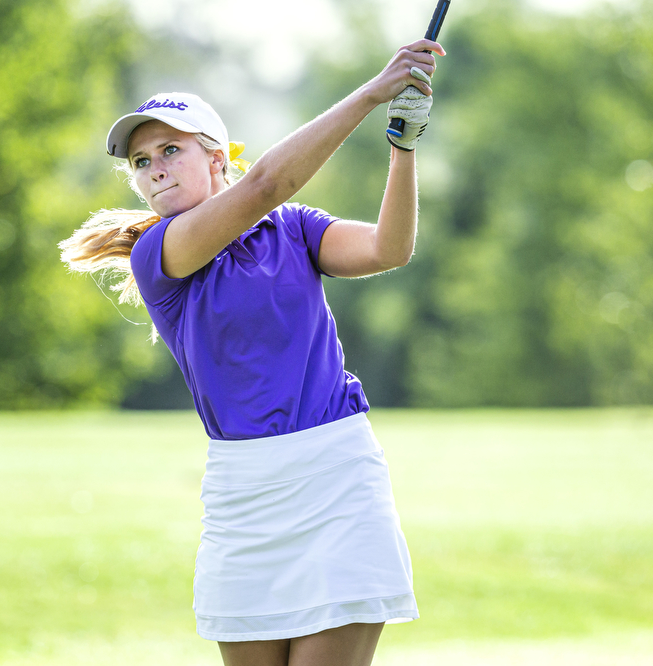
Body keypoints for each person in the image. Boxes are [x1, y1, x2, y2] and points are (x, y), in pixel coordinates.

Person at [59, 38, 445, 666]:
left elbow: (388, 249)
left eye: (171, 150)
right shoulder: (159, 254)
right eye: (141, 161)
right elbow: (267, 183)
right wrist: (373, 92)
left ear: (216, 158)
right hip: (243, 496)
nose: (154, 169)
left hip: (337, 480)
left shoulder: (293, 228)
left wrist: (402, 148)